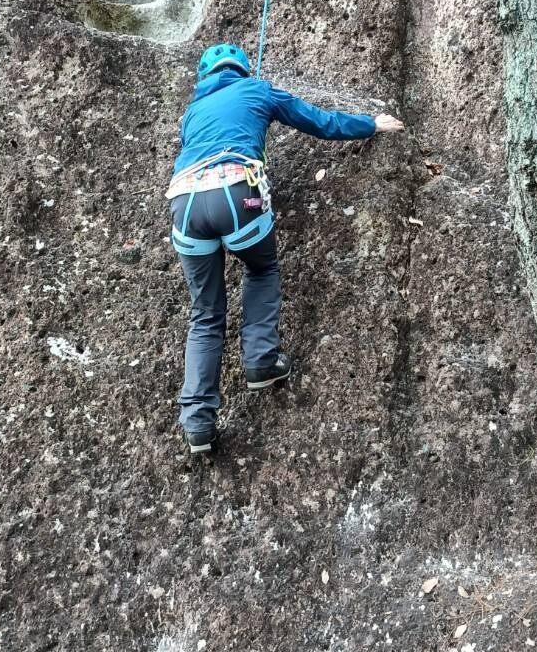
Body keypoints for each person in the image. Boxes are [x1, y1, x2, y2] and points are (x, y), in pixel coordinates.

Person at [167, 42, 405, 452]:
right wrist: (369, 124)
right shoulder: (257, 89)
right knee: (260, 269)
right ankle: (260, 361)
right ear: (241, 69)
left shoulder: (192, 113)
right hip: (234, 191)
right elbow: (318, 120)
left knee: (205, 314)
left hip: (184, 203)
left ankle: (198, 424)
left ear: (205, 77)